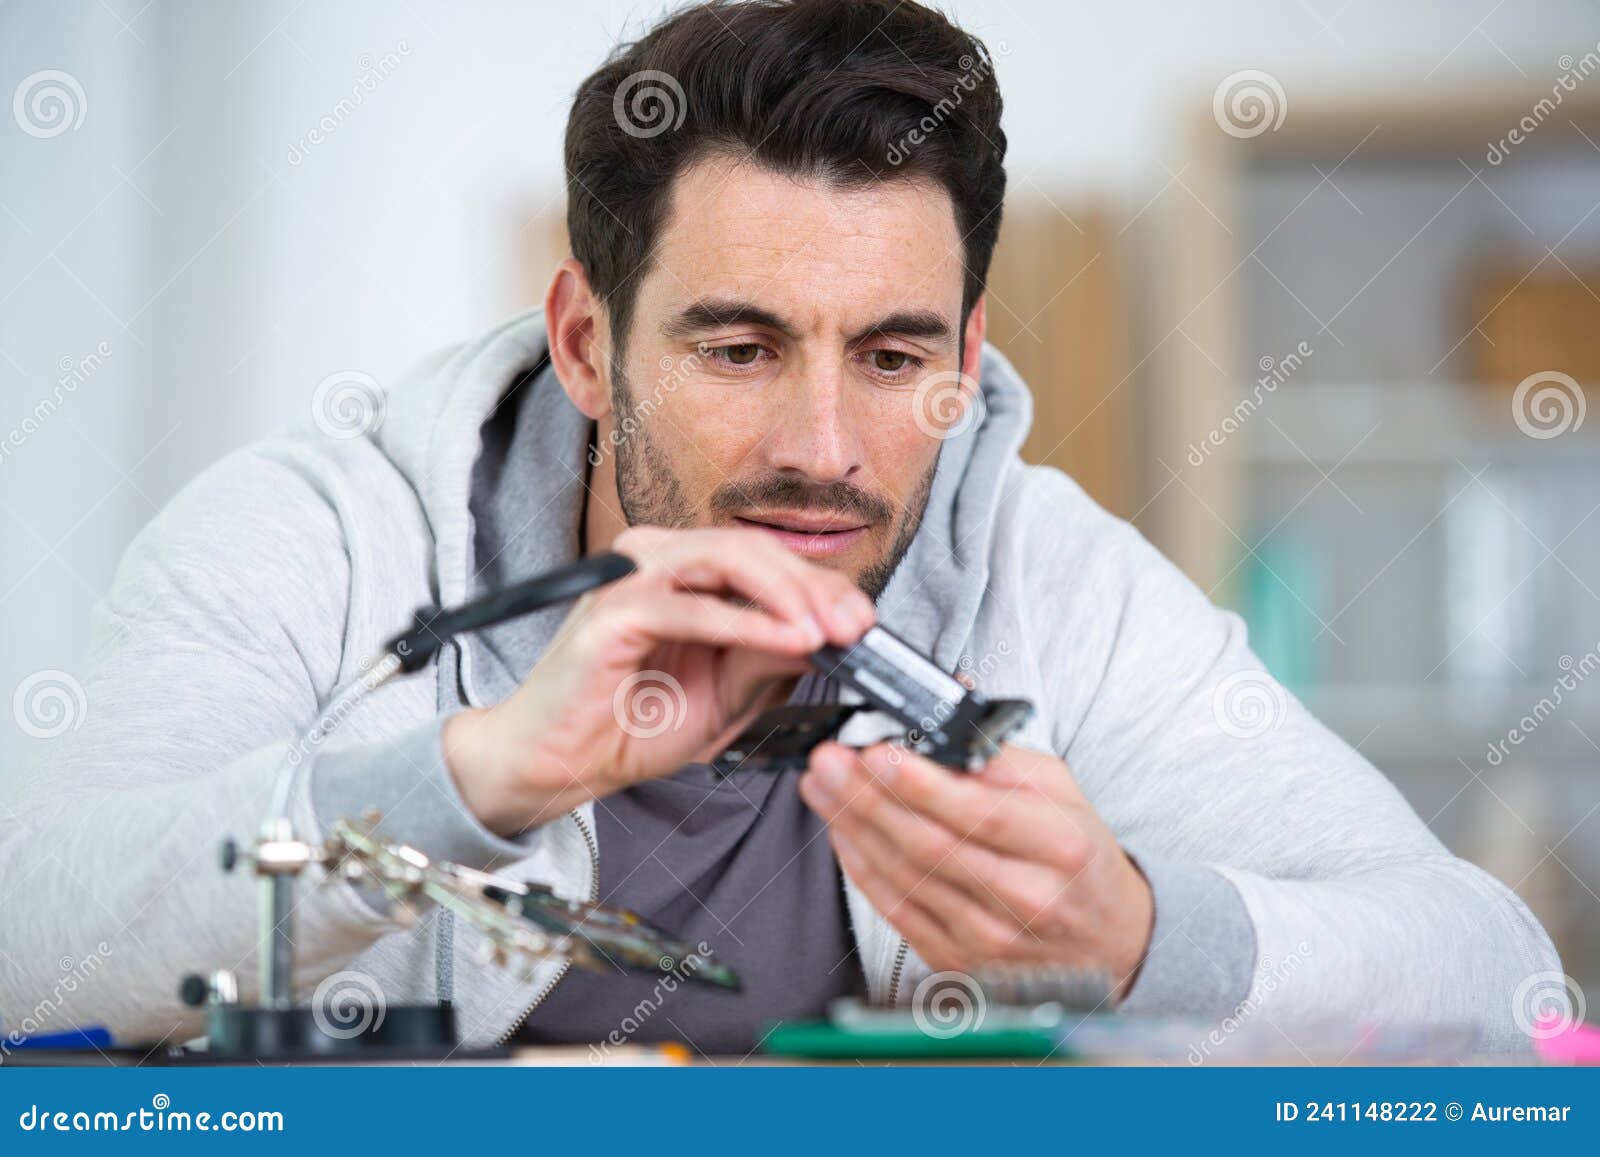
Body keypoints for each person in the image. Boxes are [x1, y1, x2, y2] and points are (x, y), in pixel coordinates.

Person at [1, 0, 1557, 1055]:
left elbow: (1500, 979)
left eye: (893, 358)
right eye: (739, 348)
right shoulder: (314, 540)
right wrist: (472, 781)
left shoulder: (1049, 577)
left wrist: (1138, 930)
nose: (826, 451)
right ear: (589, 341)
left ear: (963, 349)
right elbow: (37, 946)